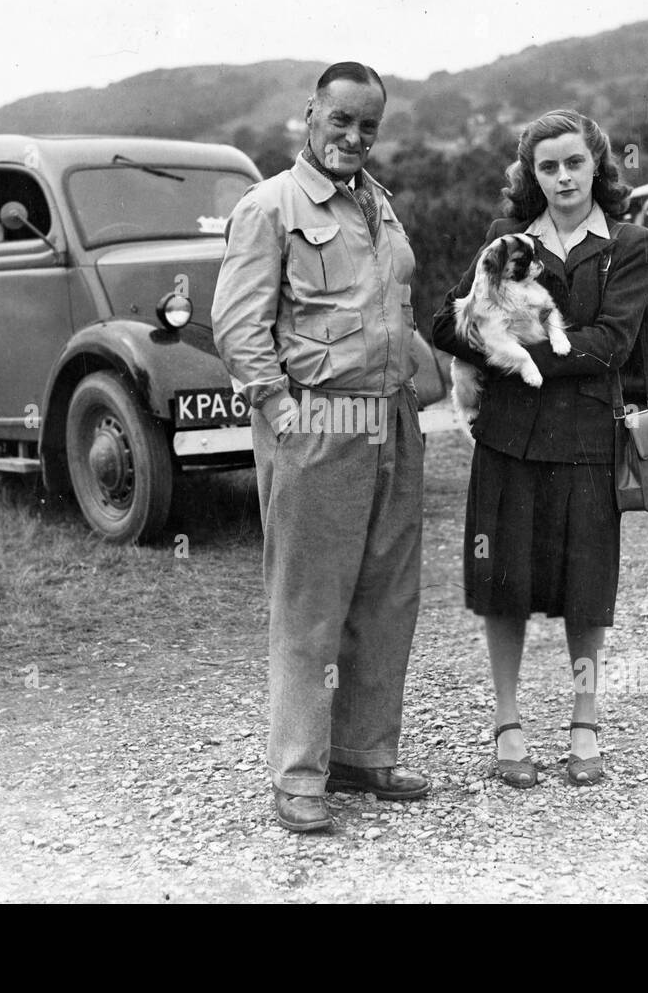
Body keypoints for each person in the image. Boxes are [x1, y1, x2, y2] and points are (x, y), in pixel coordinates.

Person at [212, 62, 429, 833]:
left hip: (391, 423)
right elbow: (238, 328)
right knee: (310, 606)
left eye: (368, 125)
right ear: (310, 115)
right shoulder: (269, 206)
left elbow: (395, 306)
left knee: (385, 594)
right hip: (318, 425)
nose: (354, 137)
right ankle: (298, 774)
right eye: (341, 120)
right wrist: (284, 413)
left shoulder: (382, 207)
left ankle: (365, 753)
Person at [432, 109, 648, 788]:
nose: (562, 177)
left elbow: (611, 342)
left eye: (574, 163)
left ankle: (585, 724)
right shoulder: (505, 245)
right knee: (505, 584)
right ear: (531, 175)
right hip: (508, 440)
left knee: (586, 589)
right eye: (547, 166)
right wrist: (504, 344)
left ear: (597, 166)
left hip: (589, 438)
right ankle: (507, 723)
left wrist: (507, 350)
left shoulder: (629, 243)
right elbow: (448, 321)